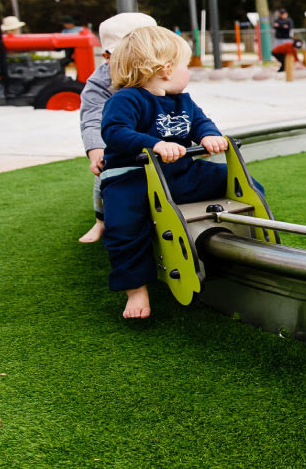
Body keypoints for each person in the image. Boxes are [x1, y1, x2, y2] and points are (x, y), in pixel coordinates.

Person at [99, 25, 233, 319]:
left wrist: (209, 136)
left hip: (178, 173)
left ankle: (247, 237)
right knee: (124, 226)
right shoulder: (125, 99)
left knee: (232, 181)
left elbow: (201, 122)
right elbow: (114, 132)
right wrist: (155, 144)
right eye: (186, 66)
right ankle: (135, 288)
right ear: (166, 69)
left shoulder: (183, 101)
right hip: (132, 178)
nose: (188, 73)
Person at [77, 12, 157, 244]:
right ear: (107, 57)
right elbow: (92, 119)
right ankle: (101, 221)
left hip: (157, 133)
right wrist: (97, 152)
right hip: (119, 140)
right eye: (129, 55)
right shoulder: (100, 83)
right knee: (106, 177)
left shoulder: (160, 71)